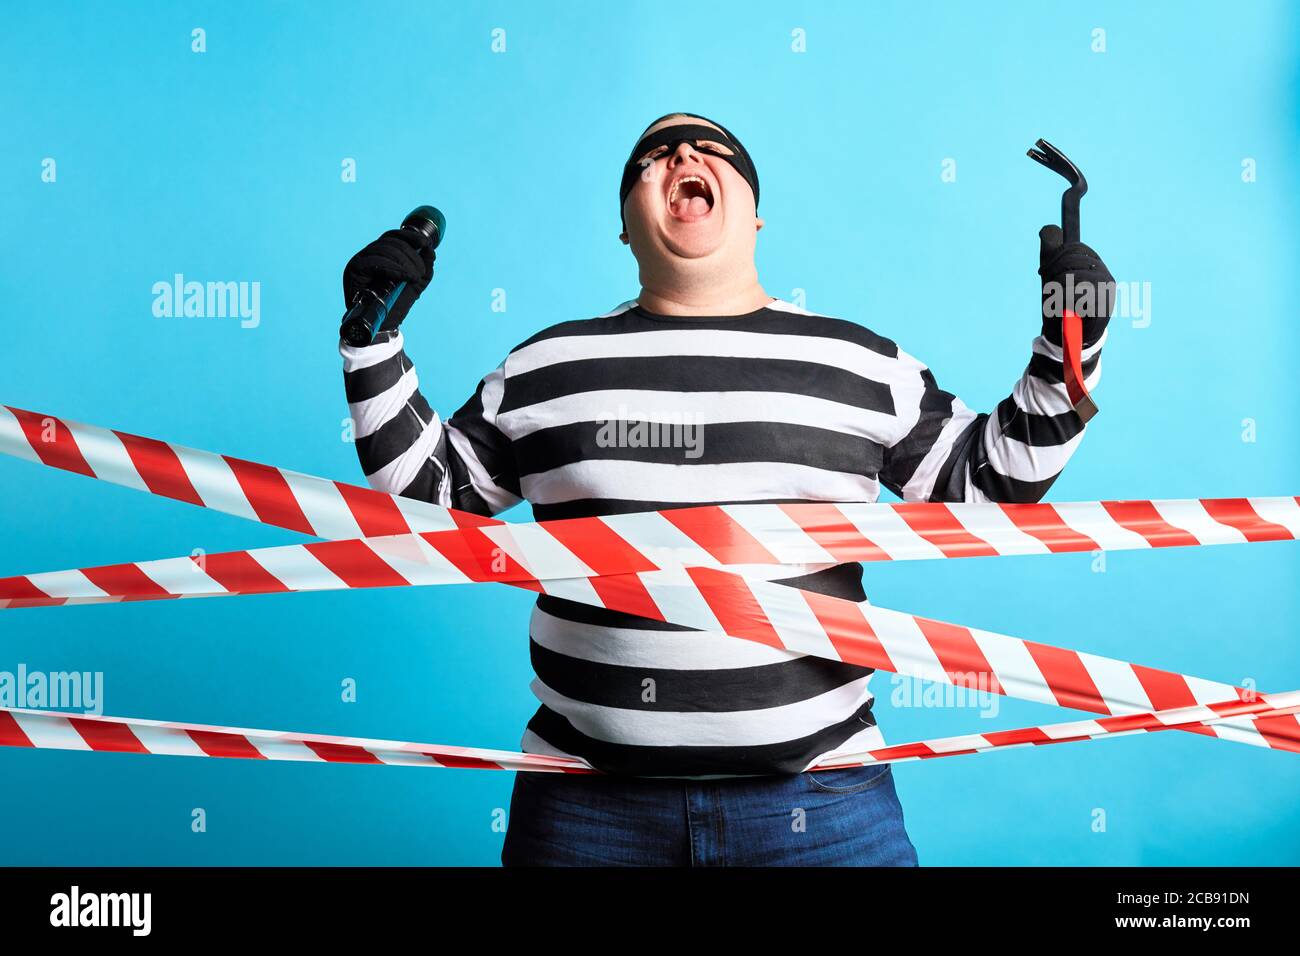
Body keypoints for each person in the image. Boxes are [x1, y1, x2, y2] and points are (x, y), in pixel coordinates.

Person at [337, 111, 1115, 866]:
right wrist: (372, 344)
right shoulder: (544, 367)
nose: (683, 157)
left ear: (755, 215)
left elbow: (987, 485)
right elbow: (430, 502)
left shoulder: (858, 364)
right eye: (655, 156)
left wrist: (1072, 335)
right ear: (624, 224)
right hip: (586, 810)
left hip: (824, 804)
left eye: (709, 149)